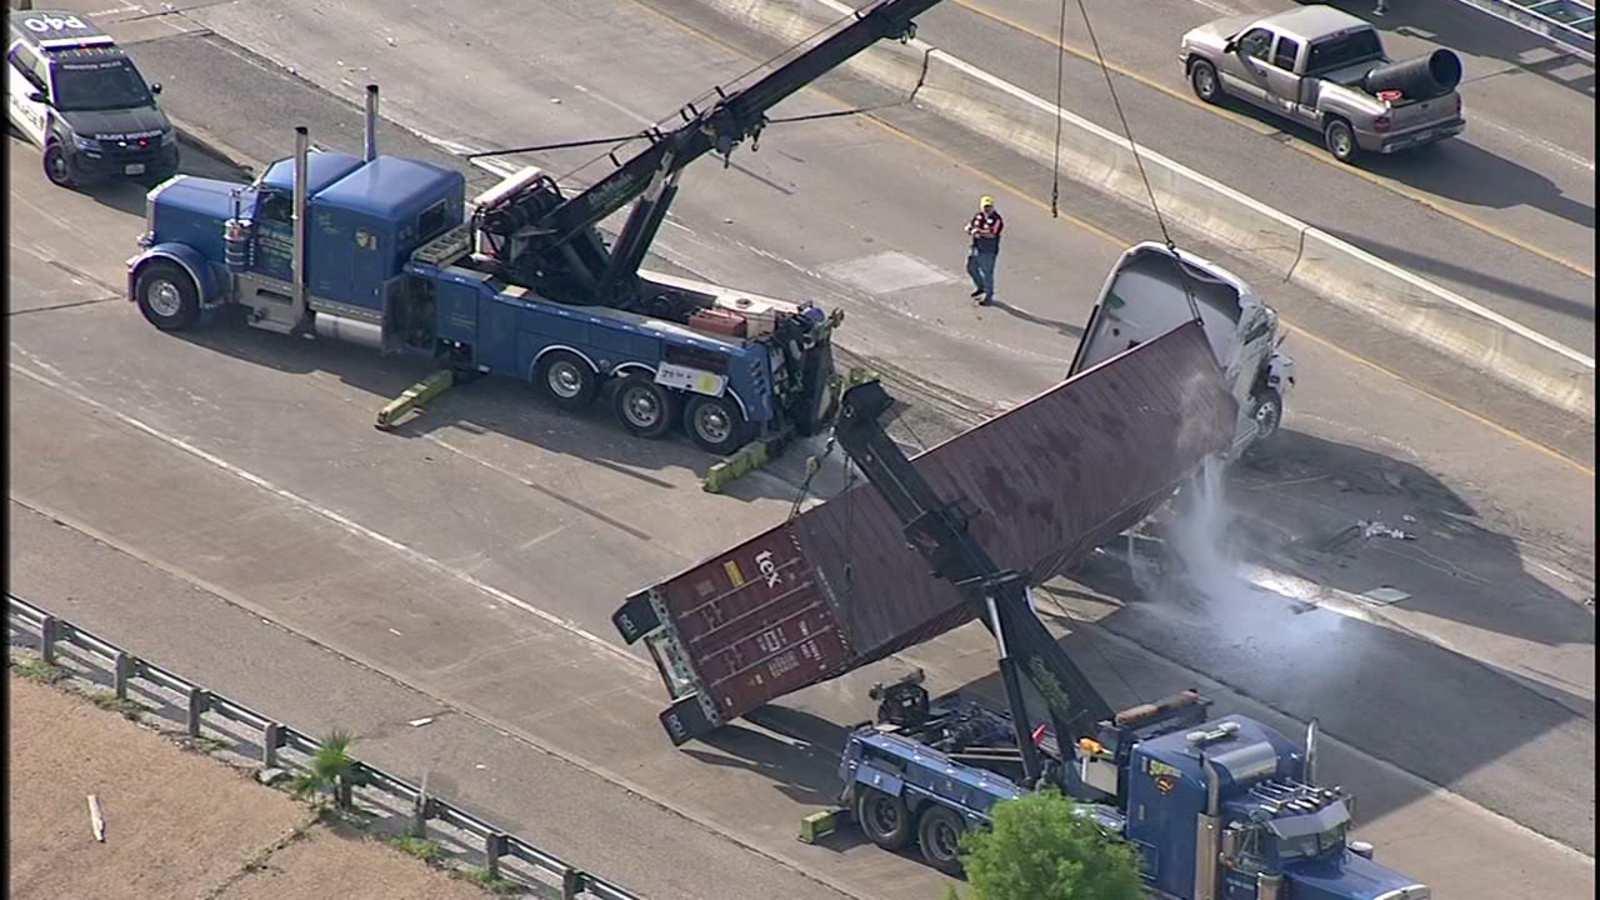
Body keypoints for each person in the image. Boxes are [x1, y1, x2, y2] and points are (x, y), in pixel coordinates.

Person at [964, 195, 1004, 306]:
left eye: (989, 206)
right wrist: (969, 229)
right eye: (985, 207)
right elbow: (970, 225)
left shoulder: (997, 220)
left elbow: (992, 233)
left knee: (987, 273)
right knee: (971, 268)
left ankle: (988, 295)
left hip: (988, 250)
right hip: (976, 247)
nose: (987, 209)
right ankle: (980, 286)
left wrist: (979, 232)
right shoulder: (978, 216)